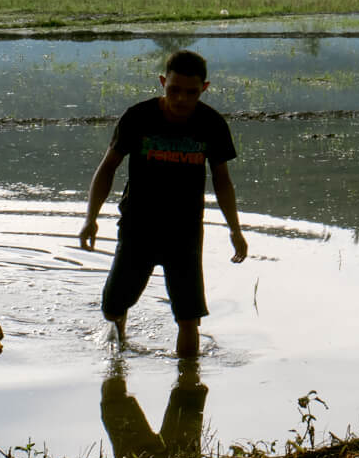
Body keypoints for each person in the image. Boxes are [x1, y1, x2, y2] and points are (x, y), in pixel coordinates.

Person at [79, 49, 249, 356]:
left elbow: (222, 181)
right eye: (174, 90)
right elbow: (107, 168)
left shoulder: (211, 124)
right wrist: (91, 218)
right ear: (162, 82)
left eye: (191, 92)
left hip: (184, 233)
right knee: (113, 308)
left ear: (205, 89)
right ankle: (118, 359)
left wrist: (235, 230)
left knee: (189, 318)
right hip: (137, 228)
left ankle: (188, 391)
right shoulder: (138, 117)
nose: (182, 99)